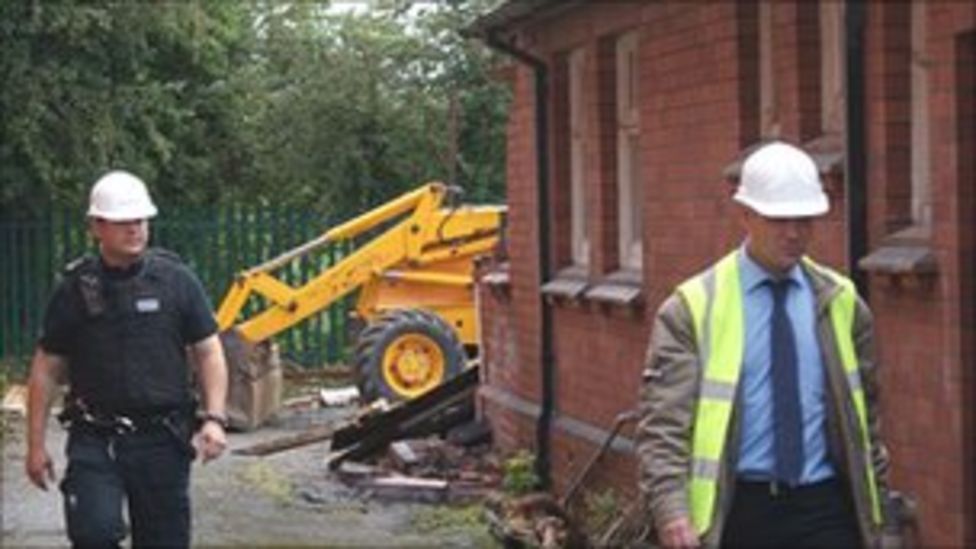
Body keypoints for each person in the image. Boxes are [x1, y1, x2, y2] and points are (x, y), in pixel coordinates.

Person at [636, 142, 891, 548]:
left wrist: (882, 523)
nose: (793, 233)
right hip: (737, 511)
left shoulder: (842, 303)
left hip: (824, 507)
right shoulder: (692, 308)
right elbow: (663, 426)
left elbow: (867, 423)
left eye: (803, 220)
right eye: (778, 220)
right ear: (745, 215)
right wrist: (672, 511)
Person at [25, 170, 229, 548]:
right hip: (94, 438)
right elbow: (46, 367)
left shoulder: (176, 281)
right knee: (94, 533)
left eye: (140, 220)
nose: (134, 229)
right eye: (123, 222)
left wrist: (214, 419)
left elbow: (208, 350)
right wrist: (35, 446)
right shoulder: (74, 289)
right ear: (96, 227)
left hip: (162, 439)